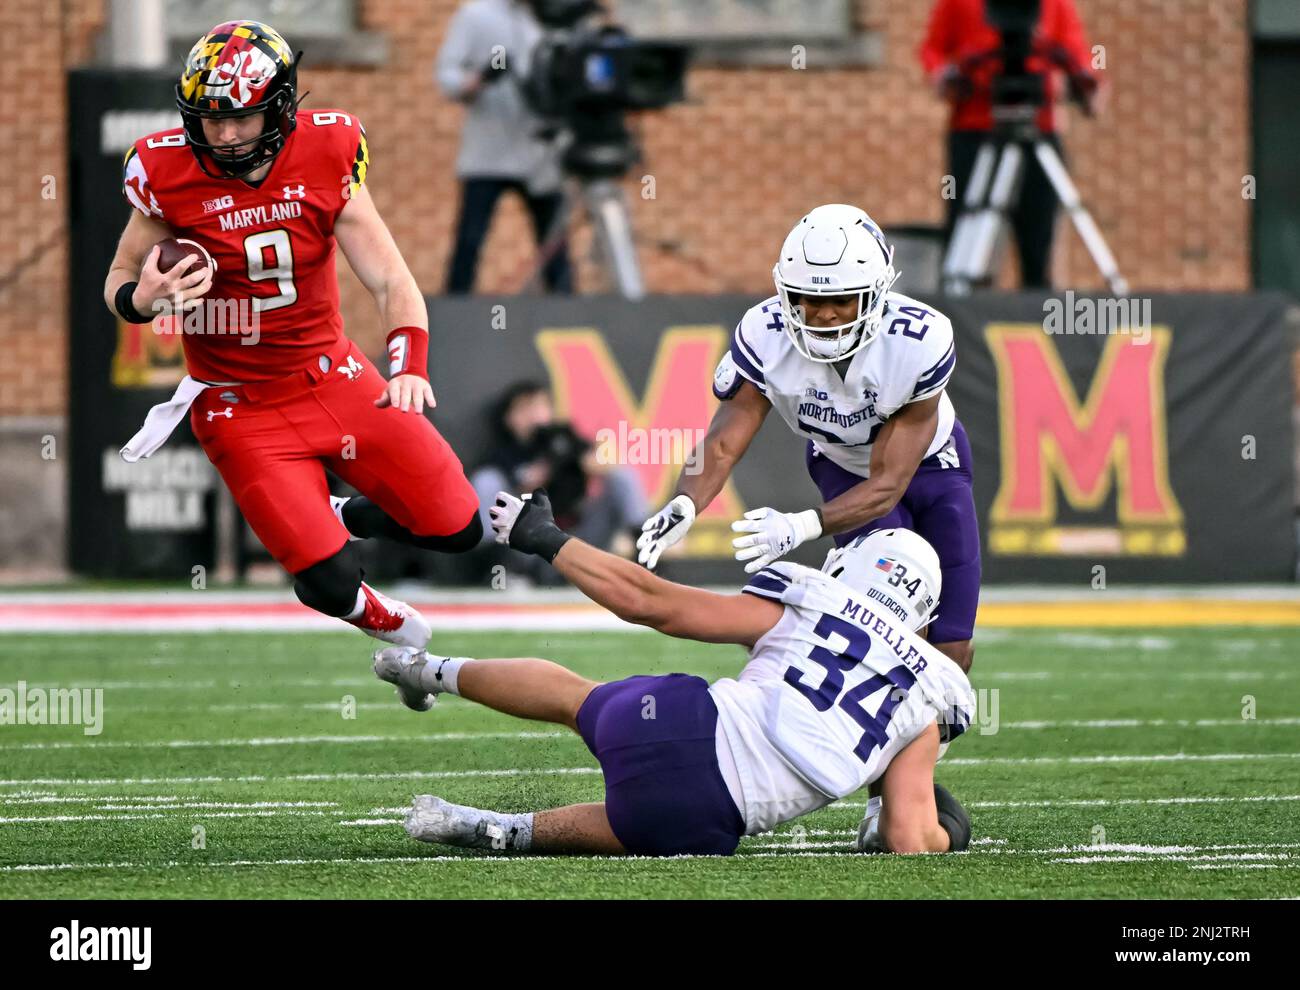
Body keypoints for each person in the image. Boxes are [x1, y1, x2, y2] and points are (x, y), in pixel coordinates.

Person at [106, 20, 481, 650]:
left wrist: (409, 365)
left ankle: (337, 515)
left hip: (332, 375)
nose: (222, 135)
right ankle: (378, 614)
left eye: (240, 118)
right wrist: (142, 299)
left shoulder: (328, 151)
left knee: (459, 527)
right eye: (209, 119)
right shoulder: (163, 170)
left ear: (279, 106)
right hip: (236, 403)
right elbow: (119, 277)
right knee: (329, 583)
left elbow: (391, 280)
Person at [372, 489, 974, 857]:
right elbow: (905, 841)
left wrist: (551, 541)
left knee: (576, 697)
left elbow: (652, 604)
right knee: (651, 825)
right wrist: (945, 829)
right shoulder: (926, 701)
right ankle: (498, 828)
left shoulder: (810, 598)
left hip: (674, 723)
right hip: (698, 812)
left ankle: (427, 669)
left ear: (850, 569)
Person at [637, 204, 981, 673]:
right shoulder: (765, 333)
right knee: (887, 621)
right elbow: (722, 442)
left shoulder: (920, 339)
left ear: (876, 294)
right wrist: (686, 501)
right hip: (839, 463)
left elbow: (888, 485)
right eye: (807, 299)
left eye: (843, 300)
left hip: (935, 467)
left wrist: (799, 527)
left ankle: (928, 742)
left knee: (952, 646)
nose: (823, 315)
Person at [920, 0, 1102, 288]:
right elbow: (933, 50)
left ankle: (1040, 306)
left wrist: (1086, 82)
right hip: (974, 131)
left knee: (1039, 236)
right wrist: (947, 76)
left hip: (1039, 129)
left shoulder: (1056, 5)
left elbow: (1077, 55)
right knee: (965, 230)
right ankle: (958, 308)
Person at [437, 0, 573, 294]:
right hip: (488, 155)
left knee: (555, 248)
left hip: (540, 155)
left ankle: (569, 325)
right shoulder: (476, 15)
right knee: (469, 244)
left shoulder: (552, 16)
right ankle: (453, 324)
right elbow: (446, 77)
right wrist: (478, 80)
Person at [468, 381, 646, 583]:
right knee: (486, 480)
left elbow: (597, 460)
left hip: (577, 539)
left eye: (540, 406)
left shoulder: (564, 438)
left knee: (622, 474)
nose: (534, 415)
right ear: (509, 418)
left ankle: (646, 551)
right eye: (525, 408)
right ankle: (499, 570)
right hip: (530, 549)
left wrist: (592, 464)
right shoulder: (504, 454)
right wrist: (532, 480)